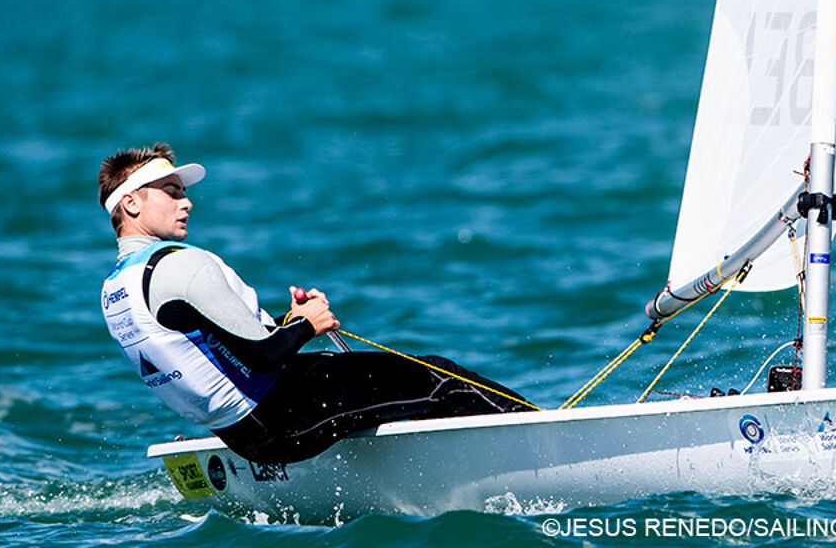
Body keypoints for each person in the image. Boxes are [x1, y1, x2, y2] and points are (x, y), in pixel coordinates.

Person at [98, 143, 533, 464]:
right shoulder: (182, 267)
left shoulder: (117, 286)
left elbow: (216, 351)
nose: (186, 201)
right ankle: (547, 441)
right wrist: (306, 325)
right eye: (171, 191)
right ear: (131, 202)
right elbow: (265, 356)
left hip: (243, 436)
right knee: (441, 377)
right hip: (288, 415)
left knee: (399, 386)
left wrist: (291, 321)